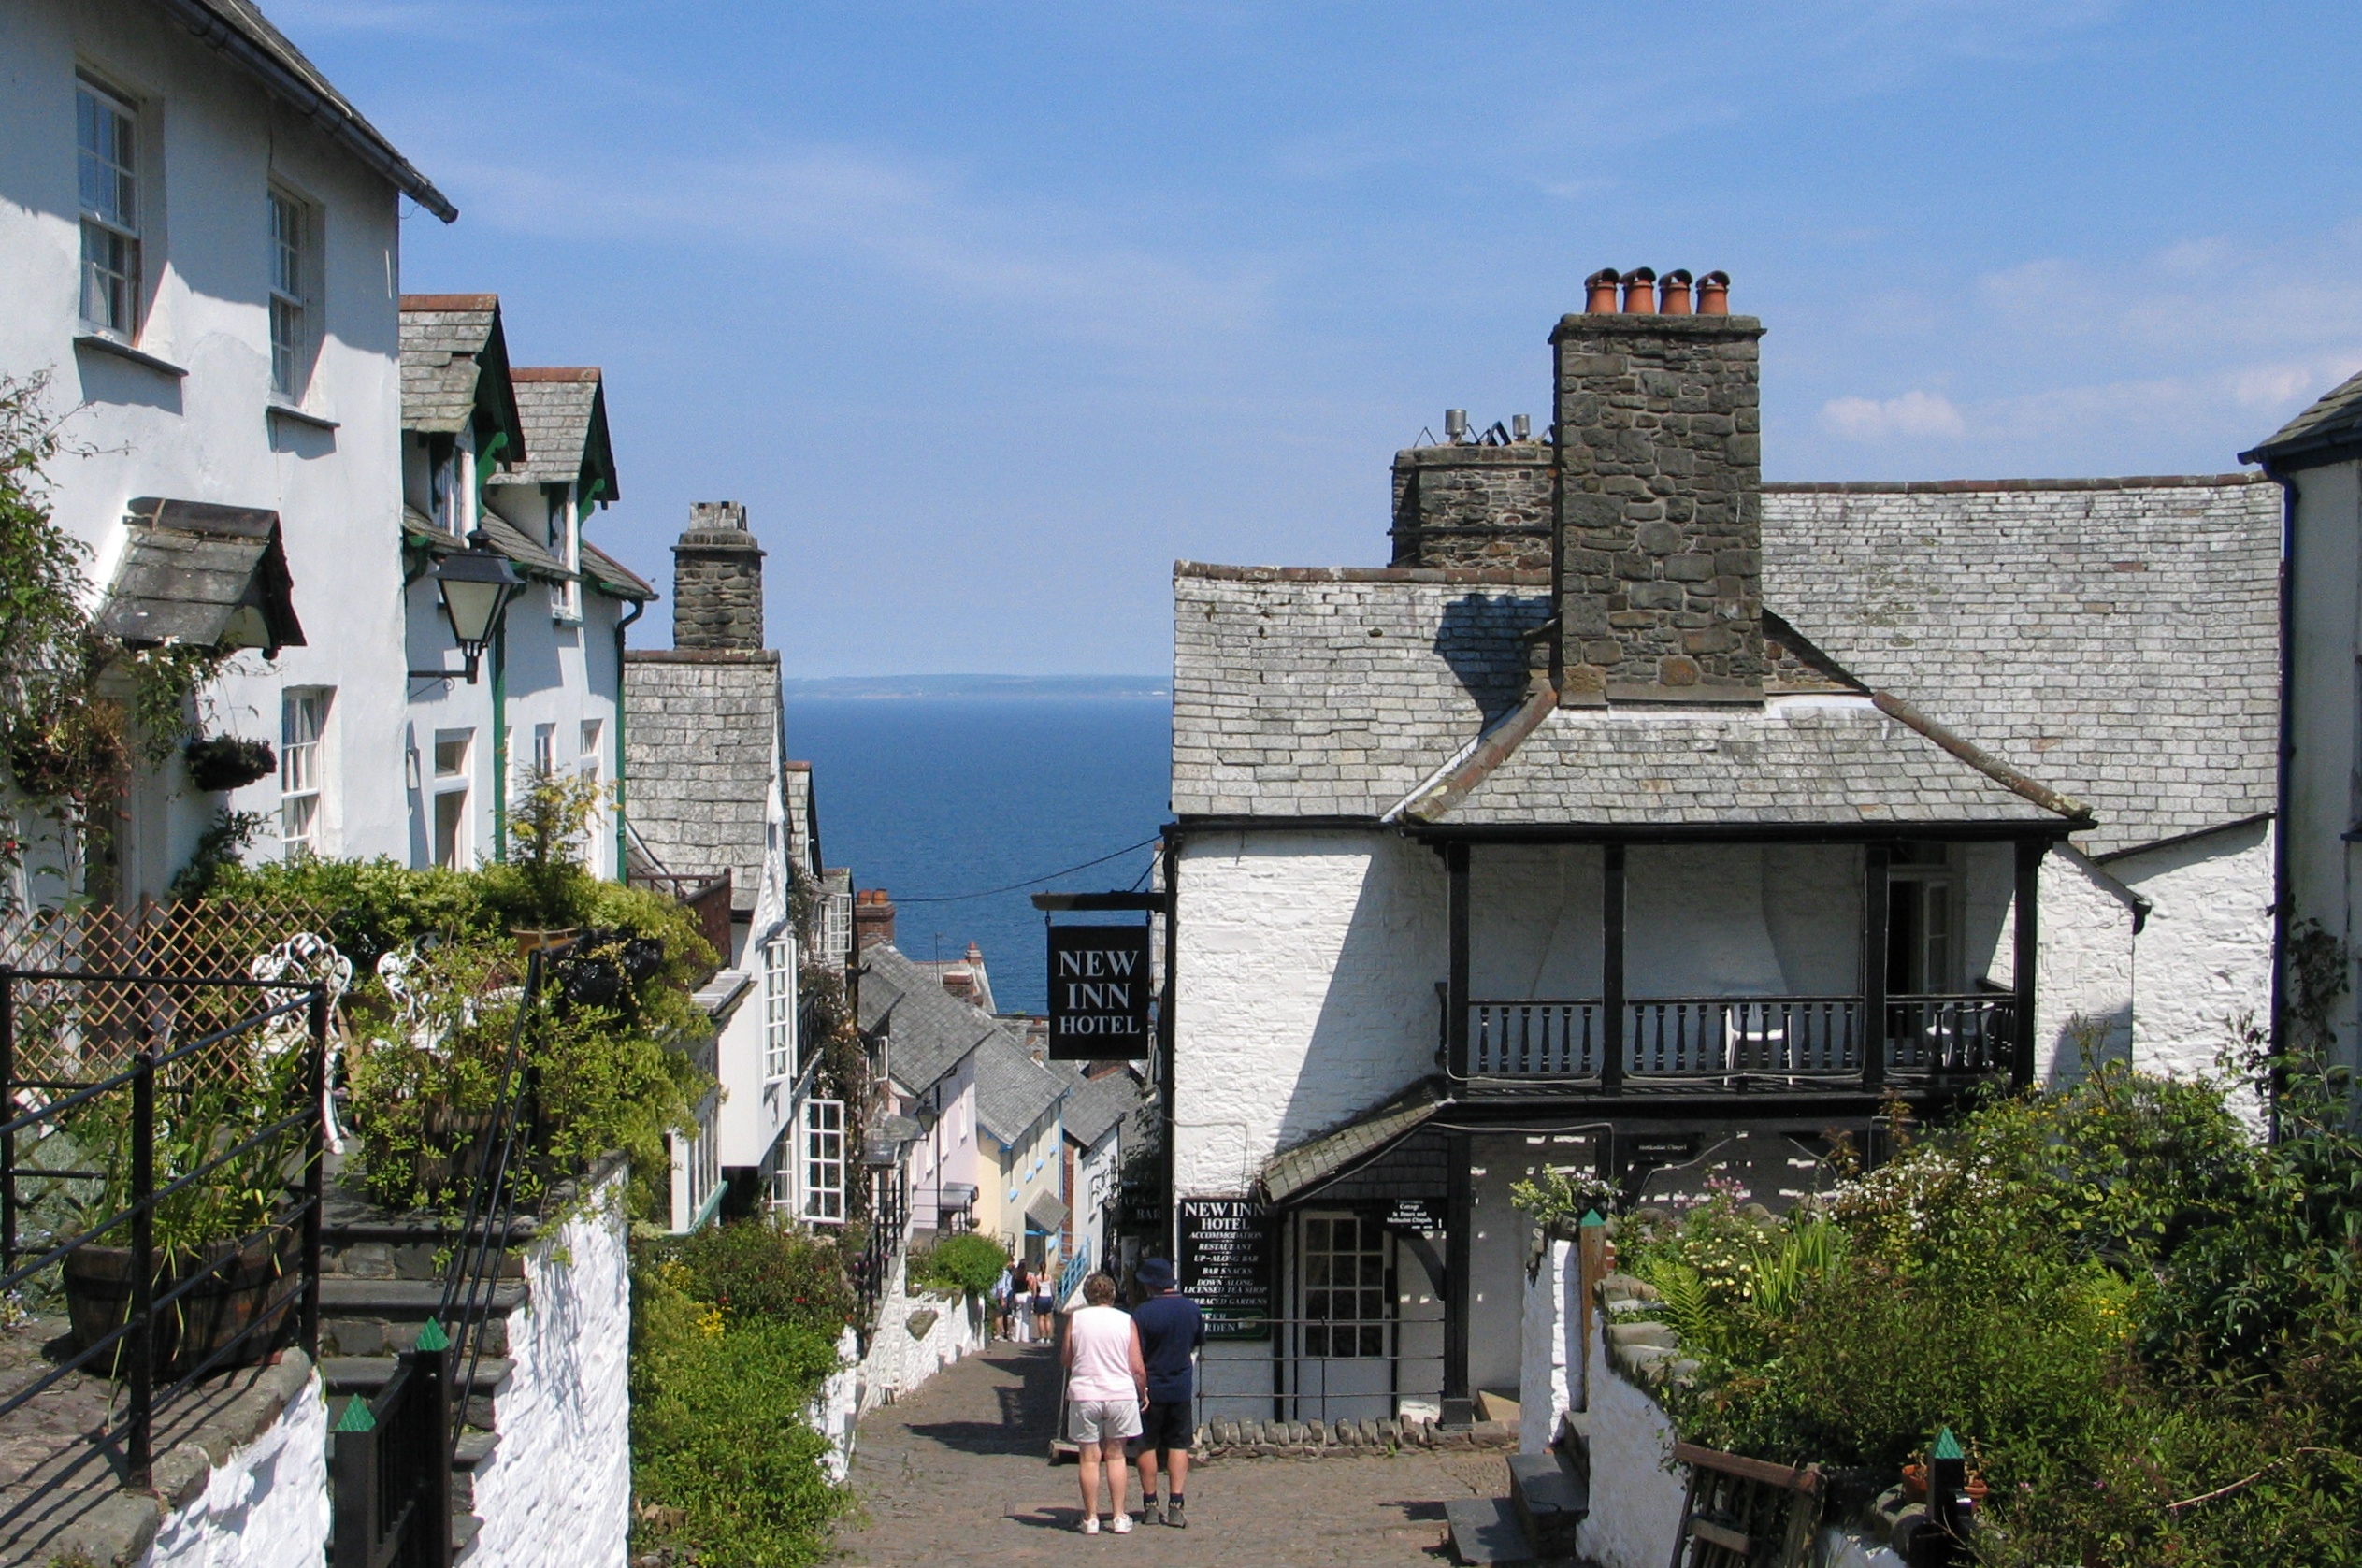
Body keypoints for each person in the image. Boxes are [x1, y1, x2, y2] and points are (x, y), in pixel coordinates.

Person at [1061, 1272, 1146, 1534]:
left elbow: (1066, 1358)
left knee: (1088, 1458)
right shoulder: (1125, 1321)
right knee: (1116, 1455)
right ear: (1113, 1294)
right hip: (1120, 1393)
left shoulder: (1076, 1319)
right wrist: (1142, 1392)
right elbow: (1137, 1366)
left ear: (1088, 1295)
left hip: (1085, 1393)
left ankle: (1091, 1518)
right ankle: (1120, 1516)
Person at [1128, 1257, 1204, 1528]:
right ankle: (1176, 1503)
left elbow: (1135, 1359)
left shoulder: (1141, 1313)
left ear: (1149, 1285)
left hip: (1151, 1388)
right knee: (1178, 1443)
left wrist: (1141, 1387)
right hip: (1180, 1386)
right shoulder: (1191, 1309)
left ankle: (1150, 1504)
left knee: (1146, 1445)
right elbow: (1196, 1344)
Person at [1008, 1262, 1034, 1344]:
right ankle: (1025, 1337)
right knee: (1026, 1317)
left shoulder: (1015, 1275)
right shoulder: (1027, 1275)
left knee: (1018, 1317)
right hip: (1026, 1295)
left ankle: (1016, 1337)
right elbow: (1030, 1286)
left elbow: (1012, 1287)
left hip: (1018, 1296)